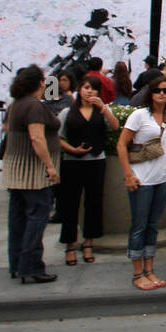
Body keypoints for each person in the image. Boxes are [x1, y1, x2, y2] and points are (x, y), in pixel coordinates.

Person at [117, 76, 166, 290]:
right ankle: (137, 273)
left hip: (162, 179)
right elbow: (121, 144)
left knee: (153, 226)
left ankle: (150, 269)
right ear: (150, 93)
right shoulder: (139, 116)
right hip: (141, 179)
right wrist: (128, 174)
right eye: (158, 90)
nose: (162, 94)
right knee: (139, 225)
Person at [3, 66, 60, 284]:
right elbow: (37, 138)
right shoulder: (34, 106)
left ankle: (17, 264)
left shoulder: (16, 104)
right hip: (33, 171)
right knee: (37, 217)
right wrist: (49, 166)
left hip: (15, 169)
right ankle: (32, 265)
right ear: (38, 84)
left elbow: (8, 129)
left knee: (17, 219)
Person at [56, 75, 117, 266]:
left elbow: (115, 127)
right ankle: (70, 245)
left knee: (93, 202)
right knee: (70, 204)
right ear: (79, 89)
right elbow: (58, 137)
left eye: (93, 88)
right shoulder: (67, 112)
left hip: (96, 161)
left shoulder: (101, 111)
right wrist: (72, 150)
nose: (89, 91)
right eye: (86, 87)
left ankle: (89, 242)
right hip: (72, 162)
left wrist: (104, 107)